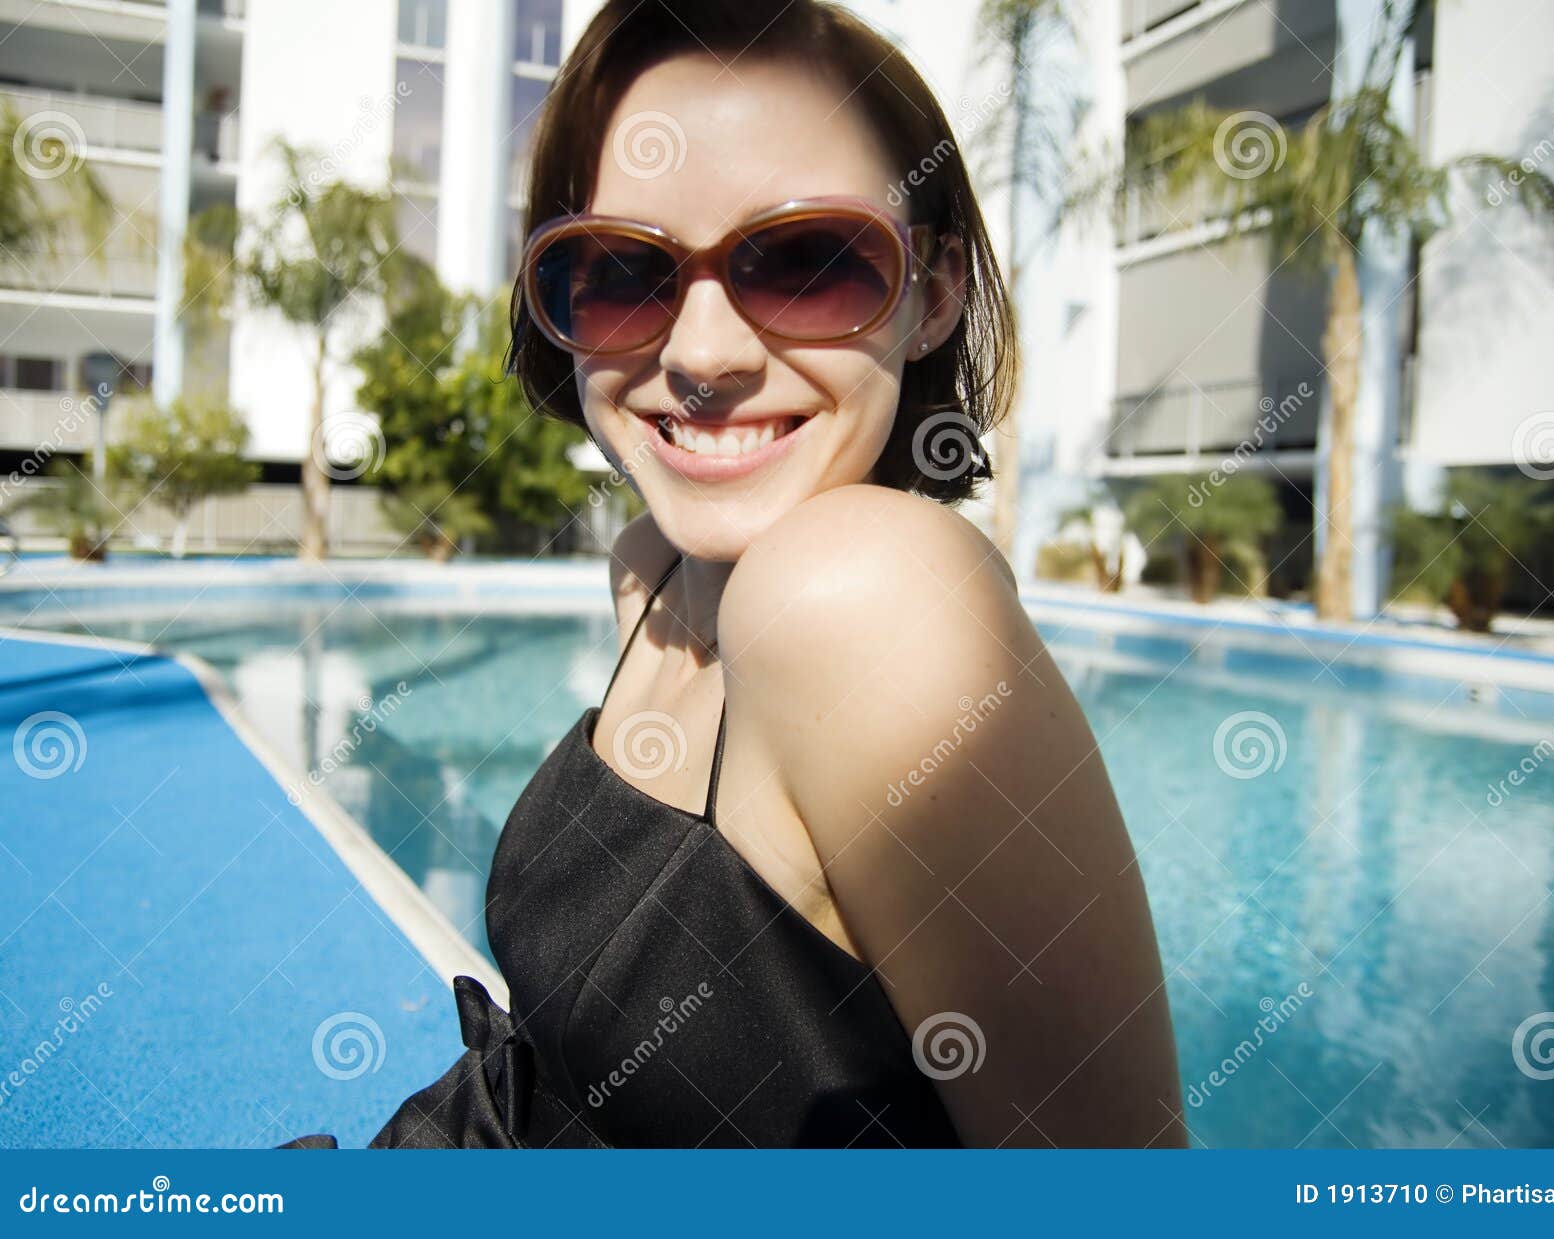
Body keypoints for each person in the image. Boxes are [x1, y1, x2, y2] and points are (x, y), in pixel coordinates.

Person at [289, 0, 1183, 1149]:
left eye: (808, 261)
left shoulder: (864, 596)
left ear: (937, 294)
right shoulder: (653, 575)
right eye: (619, 271)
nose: (701, 356)